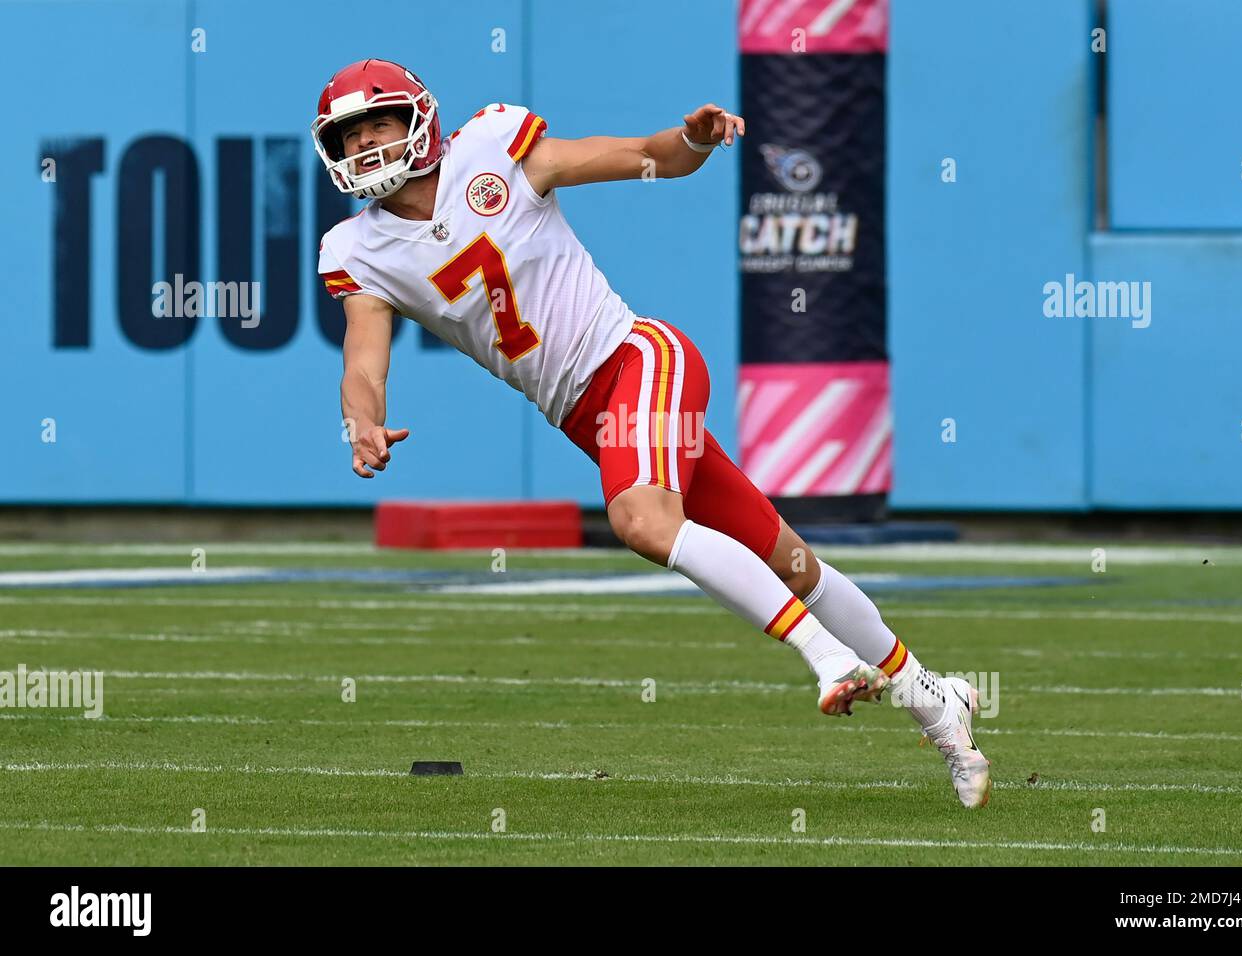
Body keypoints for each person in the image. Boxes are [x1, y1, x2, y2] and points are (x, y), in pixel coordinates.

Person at [312, 58, 989, 807]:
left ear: (420, 120)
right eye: (350, 134)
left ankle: (827, 657)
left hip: (639, 358)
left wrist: (691, 139)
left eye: (379, 123)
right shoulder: (356, 249)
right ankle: (936, 699)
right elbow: (363, 360)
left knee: (641, 520)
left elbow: (644, 155)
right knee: (792, 564)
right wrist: (362, 421)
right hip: (586, 416)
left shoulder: (495, 147)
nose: (366, 143)